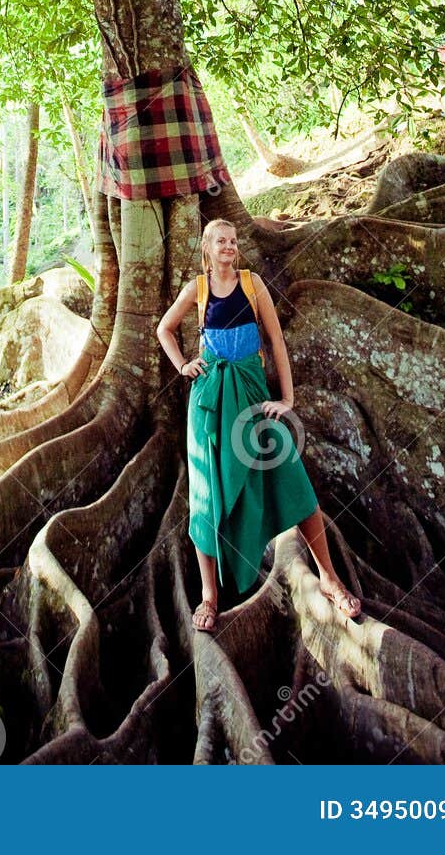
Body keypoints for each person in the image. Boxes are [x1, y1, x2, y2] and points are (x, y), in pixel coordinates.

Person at [156, 218, 362, 633]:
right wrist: (183, 366)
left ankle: (329, 578)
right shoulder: (197, 289)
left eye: (233, 241)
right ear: (207, 248)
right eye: (221, 242)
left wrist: (287, 400)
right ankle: (209, 596)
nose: (229, 247)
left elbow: (277, 341)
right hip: (210, 403)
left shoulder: (253, 285)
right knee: (207, 499)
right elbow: (164, 329)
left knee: (293, 481)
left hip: (252, 399)